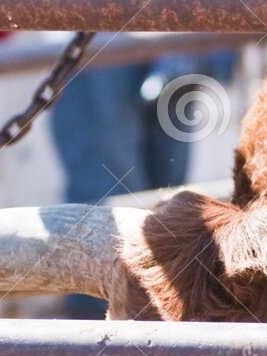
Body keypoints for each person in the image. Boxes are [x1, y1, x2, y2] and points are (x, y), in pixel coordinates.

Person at [49, 48, 236, 318]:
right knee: (107, 196)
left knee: (165, 201)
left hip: (171, 29)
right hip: (100, 32)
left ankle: (151, 317)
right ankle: (97, 326)